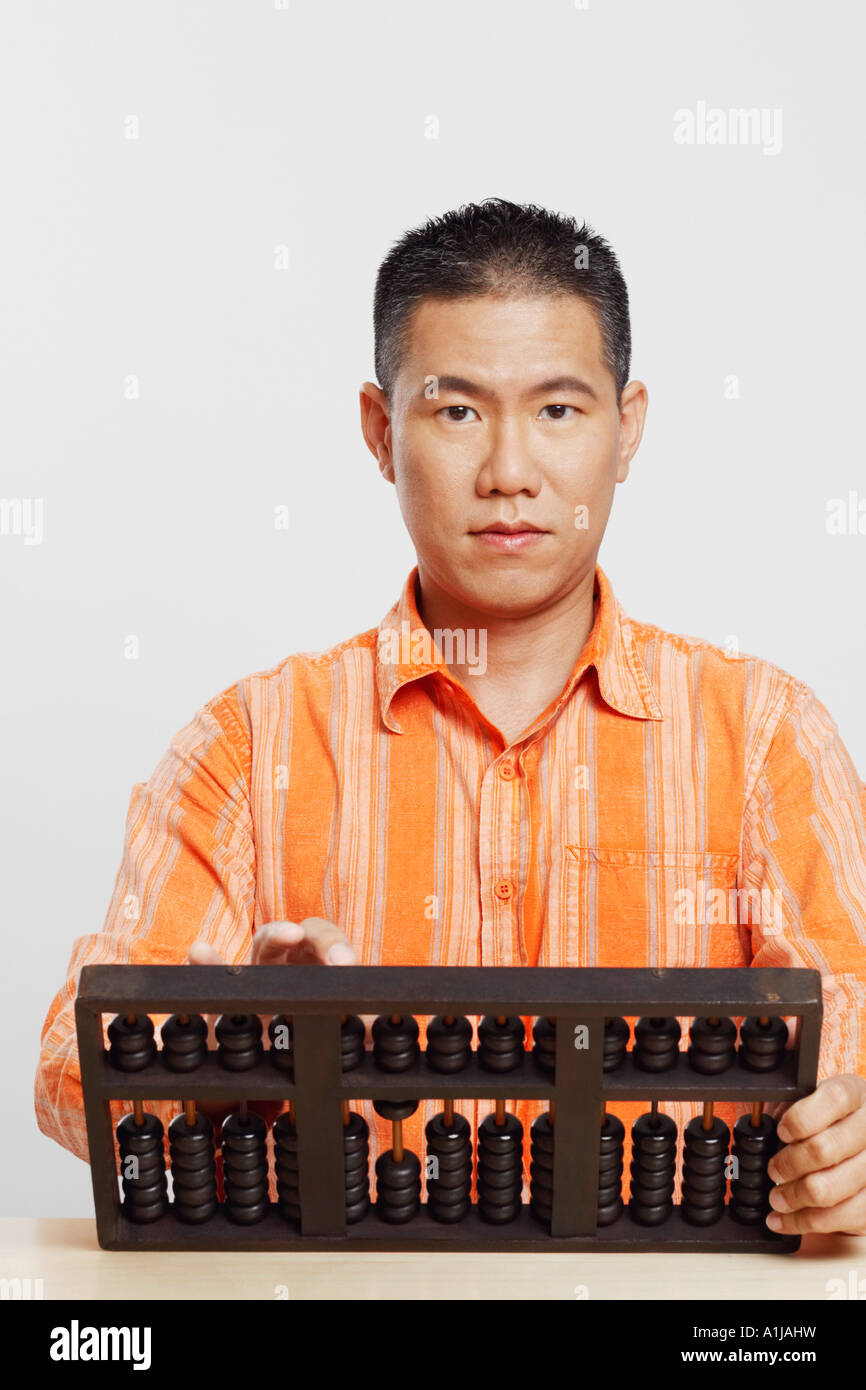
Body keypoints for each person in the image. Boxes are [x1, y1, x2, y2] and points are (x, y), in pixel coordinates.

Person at [36, 198, 866, 1235]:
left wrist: (848, 1146)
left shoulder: (763, 737)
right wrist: (238, 1030)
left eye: (558, 411)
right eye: (456, 410)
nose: (509, 472)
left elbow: (856, 1046)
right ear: (382, 432)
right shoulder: (245, 746)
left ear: (628, 428)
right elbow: (72, 1078)